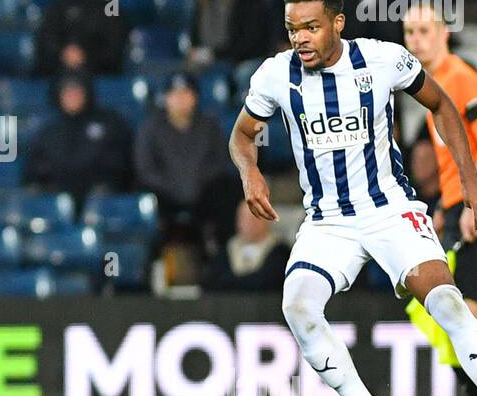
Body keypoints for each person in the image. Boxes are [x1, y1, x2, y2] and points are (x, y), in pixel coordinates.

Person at [230, 0, 477, 396]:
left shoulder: (381, 60)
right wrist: (250, 174)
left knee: (445, 298)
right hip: (327, 222)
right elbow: (242, 135)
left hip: (389, 211)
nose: (301, 39)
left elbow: (441, 104)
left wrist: (470, 180)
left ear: (338, 23)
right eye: (293, 28)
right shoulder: (275, 75)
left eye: (311, 27)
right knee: (298, 307)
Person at [403, 5, 477, 396]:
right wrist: (449, 203)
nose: (416, 39)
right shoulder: (430, 84)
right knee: (437, 311)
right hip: (460, 206)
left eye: (424, 30)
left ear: (443, 33)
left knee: (463, 311)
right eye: (409, 31)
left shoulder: (459, 77)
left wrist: (473, 201)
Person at [134, 72, 233, 242]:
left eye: (186, 93)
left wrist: (195, 185)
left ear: (195, 97)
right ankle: (153, 261)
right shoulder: (150, 129)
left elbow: (221, 163)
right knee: (146, 201)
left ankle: (219, 256)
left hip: (204, 194)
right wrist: (176, 188)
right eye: (175, 94)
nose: (180, 99)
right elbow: (145, 169)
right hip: (165, 197)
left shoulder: (210, 127)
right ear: (166, 98)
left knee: (227, 193)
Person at [25, 70, 133, 203]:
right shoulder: (49, 130)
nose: (73, 98)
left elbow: (118, 164)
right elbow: (35, 169)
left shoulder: (109, 123)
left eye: (77, 92)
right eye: (68, 93)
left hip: (99, 197)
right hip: (56, 196)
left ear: (87, 94)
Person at [36, 0, 125, 75]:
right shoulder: (66, 0)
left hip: (98, 71)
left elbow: (113, 42)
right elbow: (48, 34)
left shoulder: (111, 1)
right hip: (63, 68)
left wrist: (86, 55)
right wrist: (62, 53)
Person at [201, 202, 291, 292]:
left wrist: (232, 284)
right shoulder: (225, 252)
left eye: (255, 217)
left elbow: (270, 281)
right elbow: (212, 282)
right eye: (244, 218)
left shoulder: (280, 252)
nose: (250, 223)